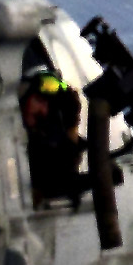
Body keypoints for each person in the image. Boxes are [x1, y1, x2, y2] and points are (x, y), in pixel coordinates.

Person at [19, 68, 87, 207]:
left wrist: (71, 126)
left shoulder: (49, 141)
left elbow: (59, 180)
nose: (43, 111)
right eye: (39, 100)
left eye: (48, 105)